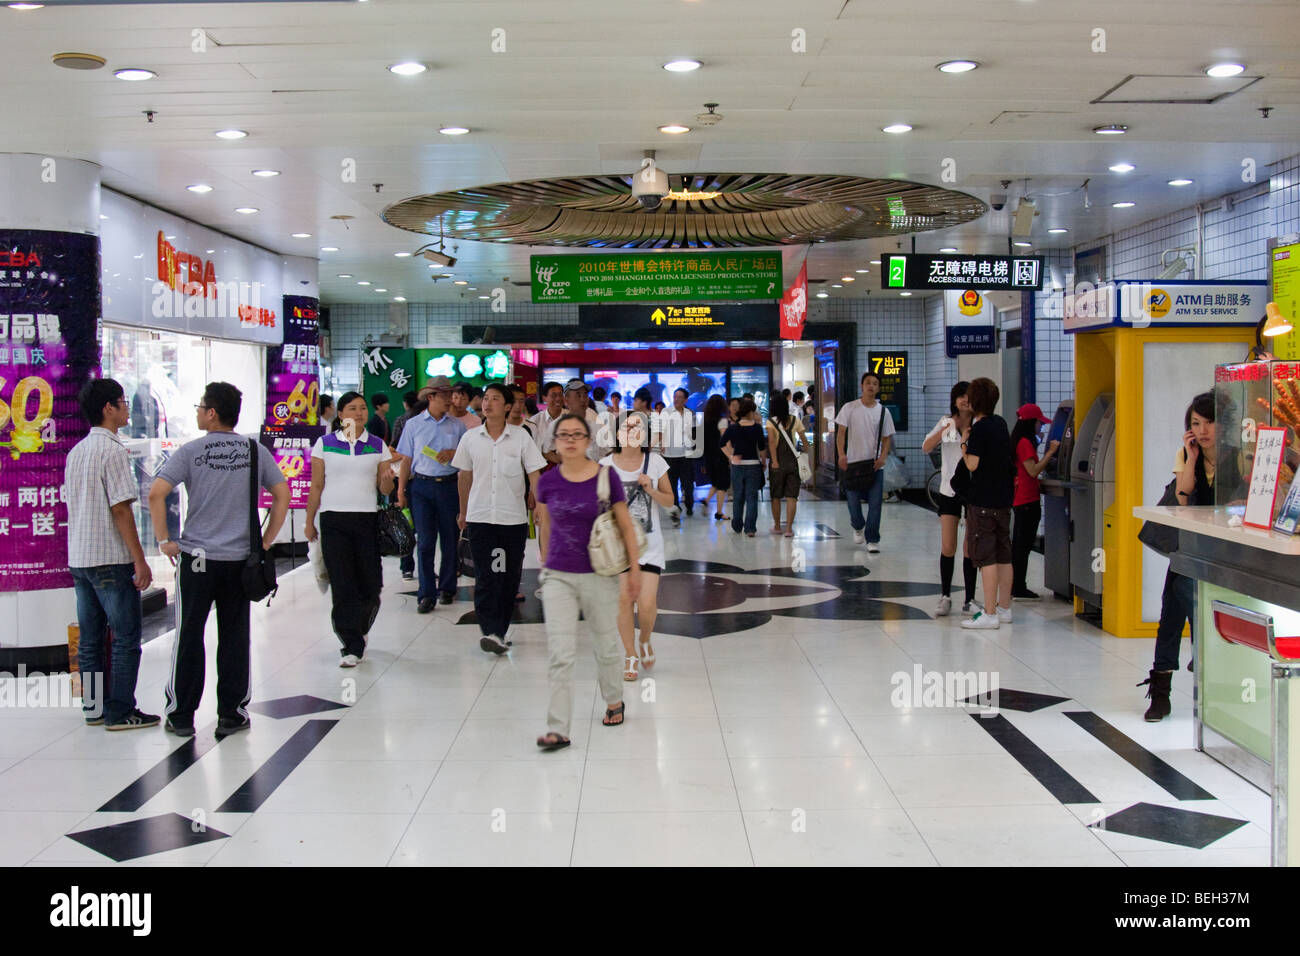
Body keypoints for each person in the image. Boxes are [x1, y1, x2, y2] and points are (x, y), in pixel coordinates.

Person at [149, 382, 289, 738]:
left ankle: (181, 715)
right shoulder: (254, 451)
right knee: (234, 635)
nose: (197, 412)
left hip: (196, 559)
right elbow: (282, 494)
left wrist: (165, 540)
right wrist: (267, 541)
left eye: (199, 406)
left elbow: (157, 492)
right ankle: (231, 713)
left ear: (212, 412)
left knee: (189, 634)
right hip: (239, 562)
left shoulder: (191, 451)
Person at [534, 413, 641, 751]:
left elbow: (625, 525)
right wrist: (545, 560)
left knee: (606, 647)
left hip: (600, 574)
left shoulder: (606, 477)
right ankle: (558, 729)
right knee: (560, 653)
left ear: (588, 440)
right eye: (563, 435)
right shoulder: (547, 482)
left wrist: (634, 570)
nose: (569, 440)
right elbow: (544, 523)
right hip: (558, 576)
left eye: (577, 434)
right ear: (554, 441)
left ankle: (613, 700)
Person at [65, 378, 156, 730]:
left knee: (90, 639)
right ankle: (120, 711)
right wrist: (139, 558)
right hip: (110, 558)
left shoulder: (77, 452)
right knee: (125, 637)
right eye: (122, 401)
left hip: (80, 558)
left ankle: (93, 708)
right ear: (108, 409)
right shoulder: (113, 450)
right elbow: (121, 509)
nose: (127, 407)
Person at [1139, 393, 1219, 721]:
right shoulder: (1190, 456)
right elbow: (1183, 498)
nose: (1203, 430)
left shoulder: (1241, 457)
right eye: (1195, 424)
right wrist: (1190, 457)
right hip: (1189, 545)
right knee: (1171, 612)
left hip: (1223, 548)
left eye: (1209, 422)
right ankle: (1160, 693)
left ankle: (1202, 657)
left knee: (1191, 600)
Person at [453, 383, 545, 655]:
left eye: (496, 399)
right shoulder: (470, 438)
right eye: (486, 399)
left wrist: (538, 504)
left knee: (506, 576)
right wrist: (463, 511)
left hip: (511, 519)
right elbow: (464, 477)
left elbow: (534, 473)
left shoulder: (521, 437)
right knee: (485, 576)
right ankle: (491, 630)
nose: (488, 403)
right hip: (481, 517)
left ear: (507, 406)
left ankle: (499, 630)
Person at [304, 392, 394, 667]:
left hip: (367, 520)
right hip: (333, 519)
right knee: (342, 584)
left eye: (363, 408)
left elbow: (385, 490)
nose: (358, 413)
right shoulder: (325, 444)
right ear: (340, 414)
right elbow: (316, 485)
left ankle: (360, 627)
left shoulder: (378, 445)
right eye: (352, 408)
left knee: (371, 584)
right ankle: (350, 643)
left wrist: (388, 480)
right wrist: (310, 521)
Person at [600, 411, 673, 681]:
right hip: (618, 547)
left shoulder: (655, 462)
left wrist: (652, 488)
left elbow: (669, 501)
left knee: (647, 604)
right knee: (623, 602)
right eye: (628, 426)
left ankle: (645, 639)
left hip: (650, 545)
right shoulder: (605, 464)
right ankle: (630, 655)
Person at [395, 377, 467, 612]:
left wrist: (454, 452)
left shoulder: (457, 426)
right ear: (431, 397)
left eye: (450, 394)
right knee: (425, 542)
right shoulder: (414, 425)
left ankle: (447, 587)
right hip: (421, 489)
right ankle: (426, 594)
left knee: (449, 539)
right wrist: (400, 490)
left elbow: (467, 459)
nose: (450, 399)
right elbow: (406, 459)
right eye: (444, 394)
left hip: (449, 487)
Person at [958, 378, 1015, 630]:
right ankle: (1004, 609)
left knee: (987, 558)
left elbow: (972, 464)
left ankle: (989, 613)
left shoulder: (979, 429)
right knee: (1004, 555)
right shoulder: (1001, 424)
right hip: (1004, 501)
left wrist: (963, 442)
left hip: (983, 502)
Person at [921, 382, 978, 616]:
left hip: (974, 491)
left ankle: (970, 598)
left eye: (968, 396)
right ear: (954, 400)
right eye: (960, 396)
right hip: (948, 490)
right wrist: (948, 428)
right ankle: (945, 596)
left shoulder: (979, 423)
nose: (964, 400)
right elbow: (926, 447)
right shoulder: (947, 422)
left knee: (969, 549)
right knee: (948, 545)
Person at [835, 372, 896, 551]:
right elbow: (841, 433)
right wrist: (841, 454)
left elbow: (886, 439)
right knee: (853, 503)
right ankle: (857, 525)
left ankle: (873, 539)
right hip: (852, 464)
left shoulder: (883, 411)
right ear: (862, 386)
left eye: (875, 383)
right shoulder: (849, 408)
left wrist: (883, 457)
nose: (871, 386)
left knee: (875, 503)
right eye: (868, 383)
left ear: (878, 388)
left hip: (874, 466)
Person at [1010, 404, 1060, 600]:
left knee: (1020, 545)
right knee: (1022, 546)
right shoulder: (1025, 443)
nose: (1041, 426)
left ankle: (1017, 585)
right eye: (1040, 422)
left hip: (1022, 498)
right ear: (1032, 422)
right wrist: (1051, 452)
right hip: (1026, 500)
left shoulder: (1019, 441)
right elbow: (1032, 470)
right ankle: (1018, 587)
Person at [390, 385, 434, 581]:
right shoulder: (406, 421)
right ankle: (406, 566)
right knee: (406, 526)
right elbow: (393, 450)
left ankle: (426, 570)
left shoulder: (441, 422)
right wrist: (412, 451)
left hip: (427, 483)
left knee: (426, 532)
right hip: (406, 481)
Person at [722, 397, 768, 537]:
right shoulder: (757, 428)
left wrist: (731, 456)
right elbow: (761, 447)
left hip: (737, 466)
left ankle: (737, 525)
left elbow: (722, 443)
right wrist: (764, 461)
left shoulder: (733, 427)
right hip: (753, 465)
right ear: (749, 412)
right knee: (751, 497)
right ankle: (750, 529)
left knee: (738, 496)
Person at [766, 393, 807, 537]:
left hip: (777, 463)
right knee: (792, 497)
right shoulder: (795, 420)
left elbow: (771, 443)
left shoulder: (771, 422)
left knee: (776, 496)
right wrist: (806, 451)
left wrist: (774, 461)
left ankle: (777, 526)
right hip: (793, 463)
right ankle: (789, 529)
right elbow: (804, 441)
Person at [661, 387, 697, 522]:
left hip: (686, 455)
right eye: (675, 396)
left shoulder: (690, 414)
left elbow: (695, 433)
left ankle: (689, 505)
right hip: (670, 454)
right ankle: (675, 507)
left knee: (687, 483)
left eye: (680, 397)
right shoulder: (666, 412)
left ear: (685, 400)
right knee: (672, 483)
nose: (676, 399)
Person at [702, 394, 731, 521]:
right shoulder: (723, 421)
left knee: (716, 481)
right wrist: (730, 455)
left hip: (709, 456)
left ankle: (707, 500)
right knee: (723, 484)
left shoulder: (705, 421)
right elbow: (724, 440)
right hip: (720, 456)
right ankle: (719, 512)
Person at [565, 378, 604, 459]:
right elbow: (546, 451)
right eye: (578, 395)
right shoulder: (558, 425)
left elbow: (607, 450)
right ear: (566, 400)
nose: (582, 399)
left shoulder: (594, 420)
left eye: (585, 395)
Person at [530, 380, 567, 467]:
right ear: (544, 398)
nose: (558, 398)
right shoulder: (535, 421)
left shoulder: (572, 417)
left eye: (560, 395)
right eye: (553, 395)